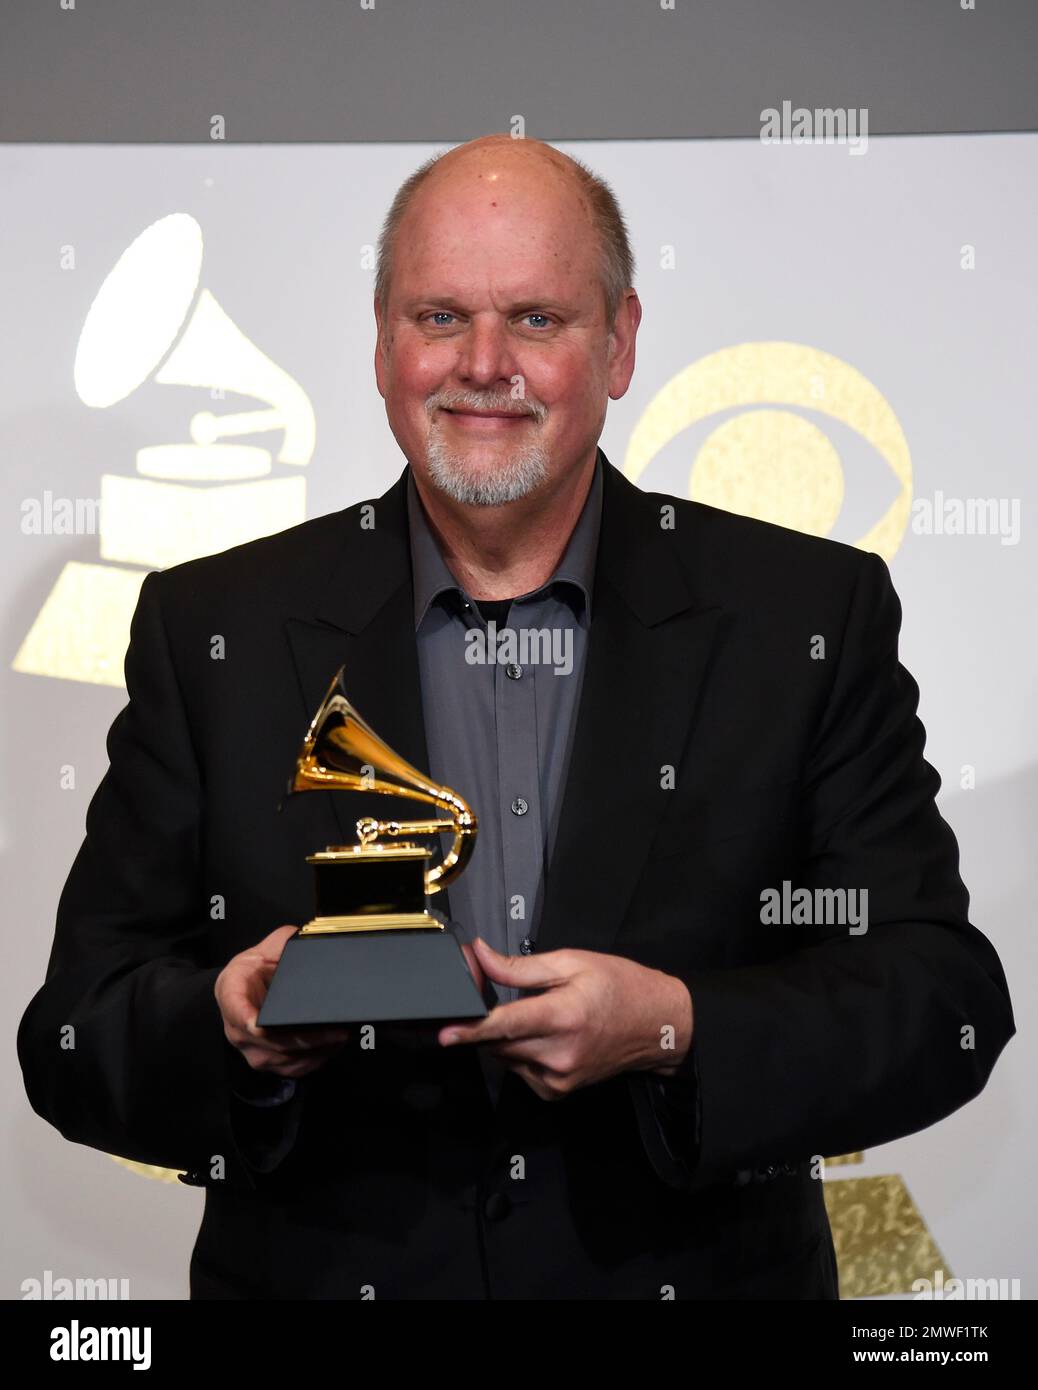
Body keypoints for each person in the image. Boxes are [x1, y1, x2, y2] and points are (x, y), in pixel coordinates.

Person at [18, 134, 1015, 1300]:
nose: (483, 364)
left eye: (536, 319)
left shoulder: (804, 615)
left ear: (622, 342)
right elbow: (74, 1034)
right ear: (382, 341)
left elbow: (943, 998)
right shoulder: (210, 627)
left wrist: (678, 1026)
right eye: (439, 317)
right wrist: (232, 1027)